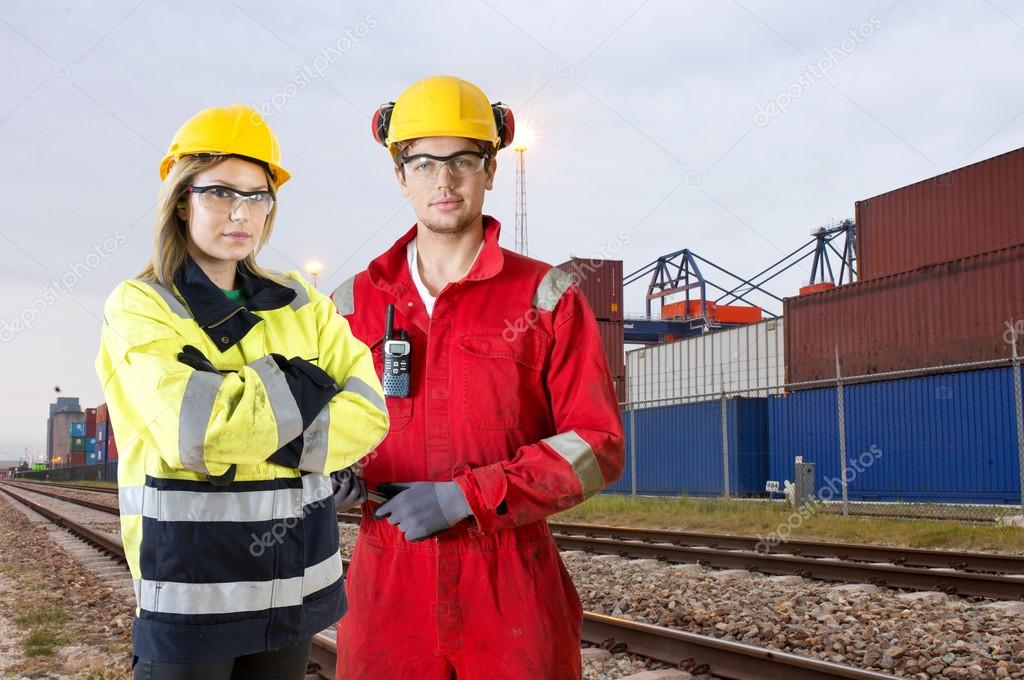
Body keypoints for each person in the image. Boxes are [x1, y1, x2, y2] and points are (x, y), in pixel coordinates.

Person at [332, 75, 625, 679]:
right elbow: (315, 432)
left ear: (491, 170)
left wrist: (466, 495)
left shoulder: (545, 297)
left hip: (510, 580)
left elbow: (596, 444)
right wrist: (327, 472)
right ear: (399, 173)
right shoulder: (347, 307)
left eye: (464, 159)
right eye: (423, 161)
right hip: (388, 585)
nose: (444, 180)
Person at [95, 104, 389, 679]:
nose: (241, 212)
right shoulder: (141, 306)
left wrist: (251, 419)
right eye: (221, 192)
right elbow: (199, 432)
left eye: (258, 196)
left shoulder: (299, 298)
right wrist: (310, 383)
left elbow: (370, 413)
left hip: (297, 584)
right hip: (193, 595)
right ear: (182, 199)